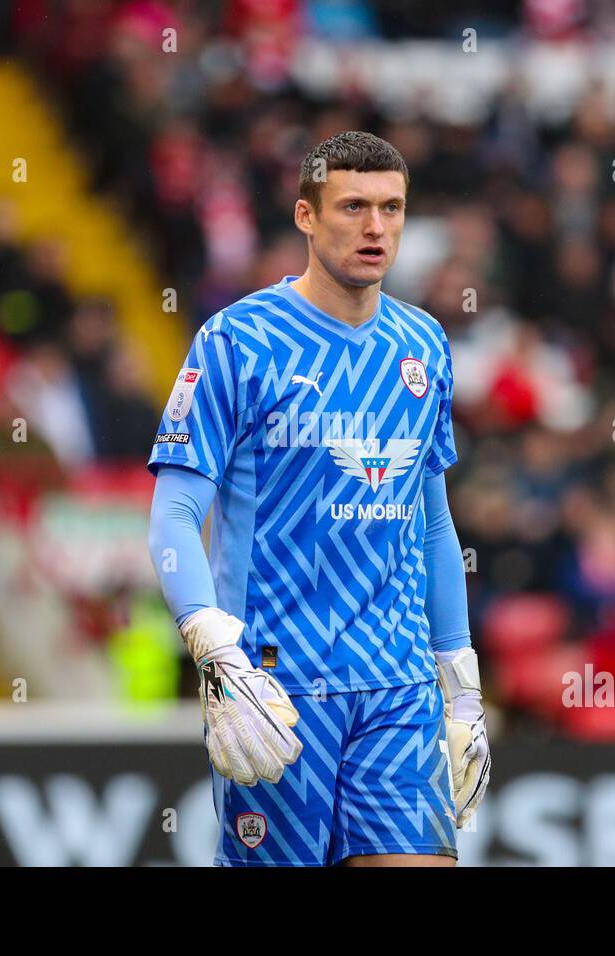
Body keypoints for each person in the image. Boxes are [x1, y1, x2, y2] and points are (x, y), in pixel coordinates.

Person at [147, 131, 489, 866]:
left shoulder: (423, 344)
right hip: (277, 688)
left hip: (399, 684)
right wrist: (215, 649)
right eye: (354, 206)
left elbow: (433, 524)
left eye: (392, 208)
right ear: (306, 216)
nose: (376, 228)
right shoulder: (237, 340)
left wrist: (460, 683)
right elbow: (175, 513)